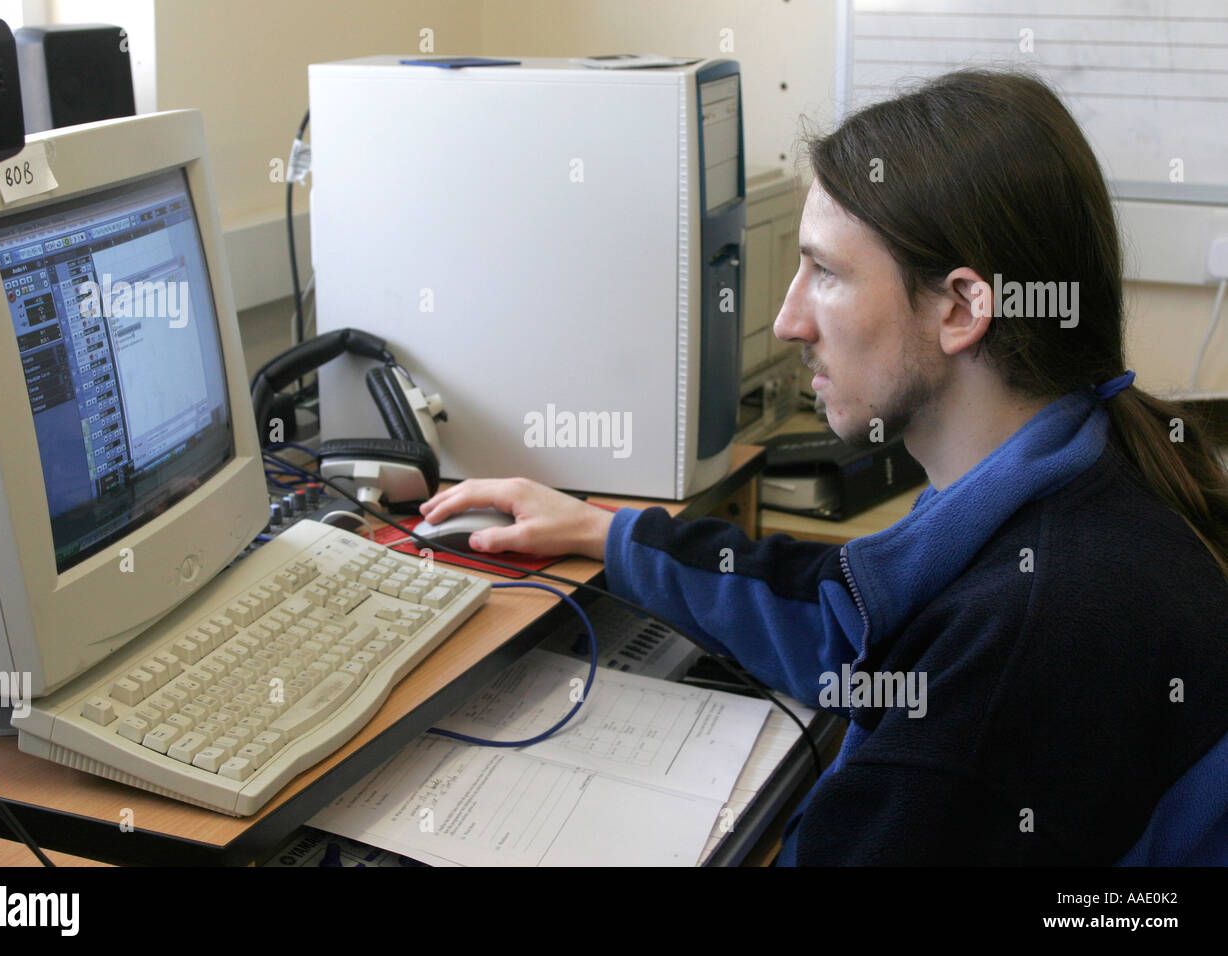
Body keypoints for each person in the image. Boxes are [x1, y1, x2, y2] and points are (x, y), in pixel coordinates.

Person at [417, 69, 1228, 865]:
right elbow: (851, 619)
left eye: (828, 273)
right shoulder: (1082, 465)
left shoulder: (1024, 646)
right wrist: (610, 535)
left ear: (960, 309)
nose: (786, 319)